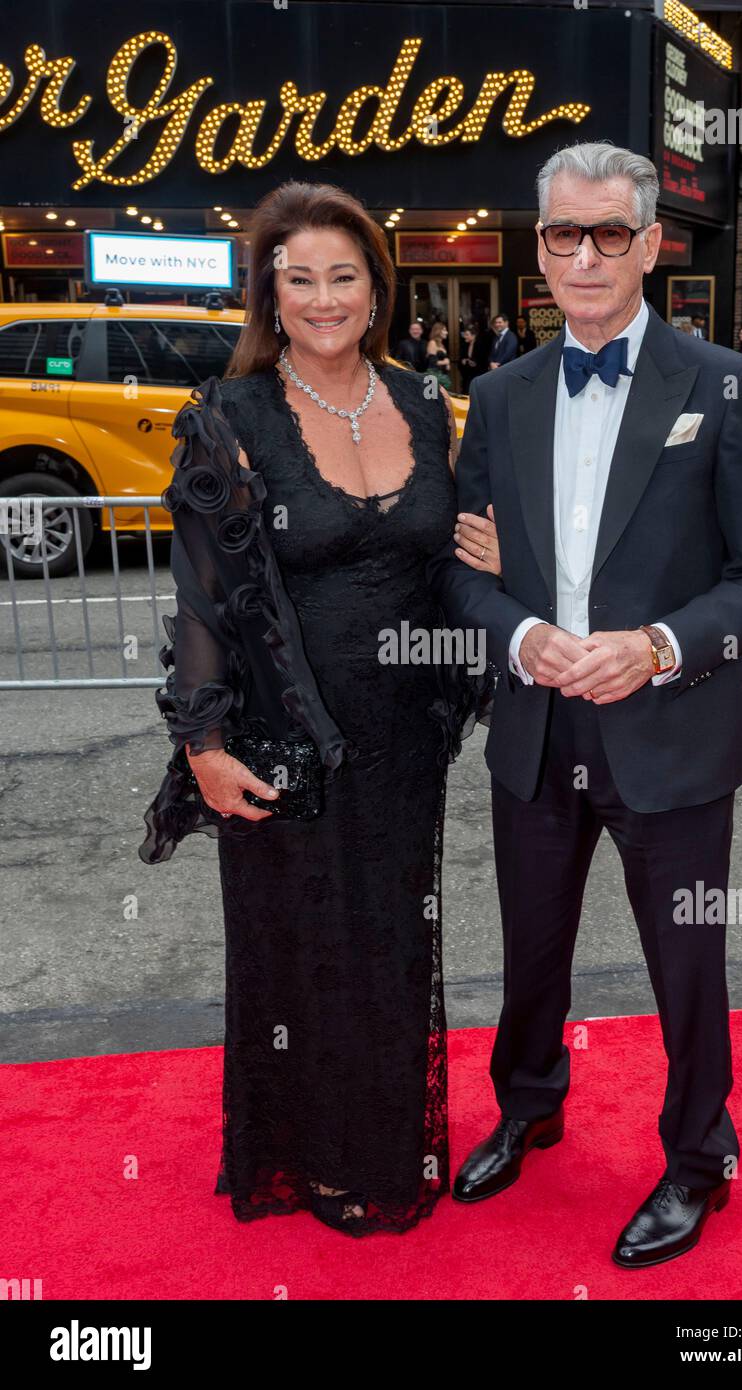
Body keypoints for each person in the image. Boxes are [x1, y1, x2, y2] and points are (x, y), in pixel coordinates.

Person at [428, 140, 742, 1269]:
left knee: (686, 962)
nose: (581, 255)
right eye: (559, 233)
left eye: (605, 234)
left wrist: (657, 647)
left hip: (671, 731)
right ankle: (529, 1103)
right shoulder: (497, 393)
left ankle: (697, 1156)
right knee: (529, 946)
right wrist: (525, 637)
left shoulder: (724, 383)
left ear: (649, 243)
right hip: (537, 724)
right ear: (536, 244)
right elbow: (460, 571)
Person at [139, 179, 496, 1237]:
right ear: (270, 293)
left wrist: (496, 560)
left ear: (376, 289)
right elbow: (202, 595)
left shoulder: (425, 400)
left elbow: (447, 549)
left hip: (403, 736)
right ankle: (306, 1157)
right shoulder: (231, 415)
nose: (324, 297)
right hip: (282, 733)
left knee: (390, 940)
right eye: (300, 278)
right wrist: (201, 741)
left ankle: (385, 1147)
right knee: (300, 945)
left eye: (344, 275)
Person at [425, 320, 453, 389]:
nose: (446, 332)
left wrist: (447, 364)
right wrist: (446, 362)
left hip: (441, 374)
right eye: (444, 330)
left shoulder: (441, 344)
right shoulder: (432, 343)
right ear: (438, 331)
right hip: (434, 375)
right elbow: (432, 362)